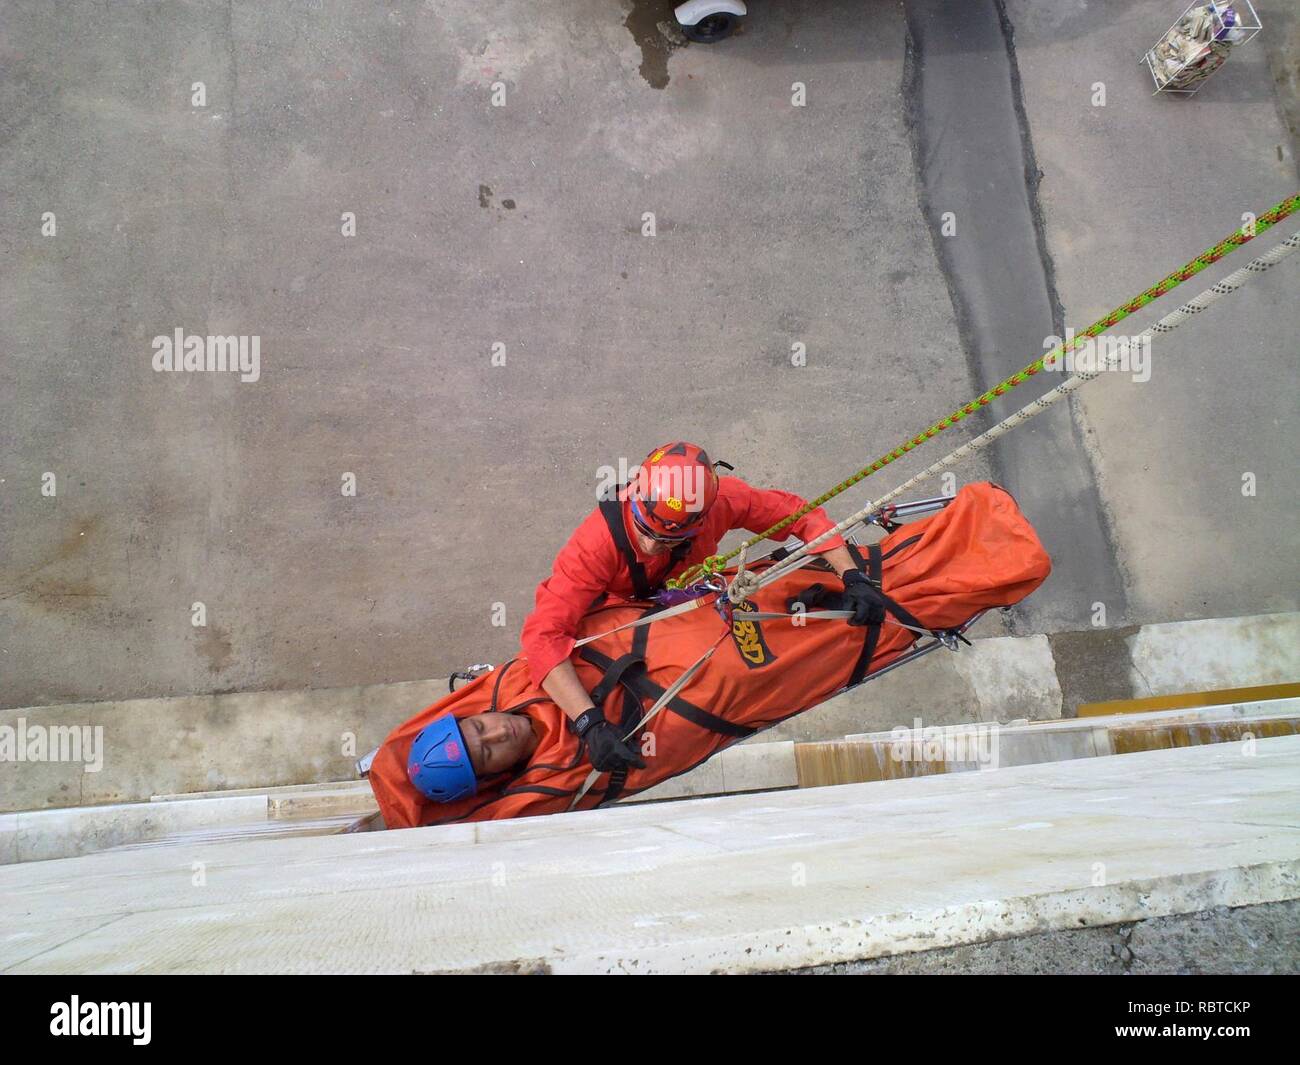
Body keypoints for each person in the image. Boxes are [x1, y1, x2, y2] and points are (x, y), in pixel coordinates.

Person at [518, 441, 880, 776]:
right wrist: (589, 724)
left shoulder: (721, 502)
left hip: (690, 602)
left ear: (700, 521)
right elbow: (544, 635)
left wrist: (851, 575)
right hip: (620, 619)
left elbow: (798, 515)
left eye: (667, 540)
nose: (651, 545)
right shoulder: (594, 546)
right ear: (635, 498)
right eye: (645, 531)